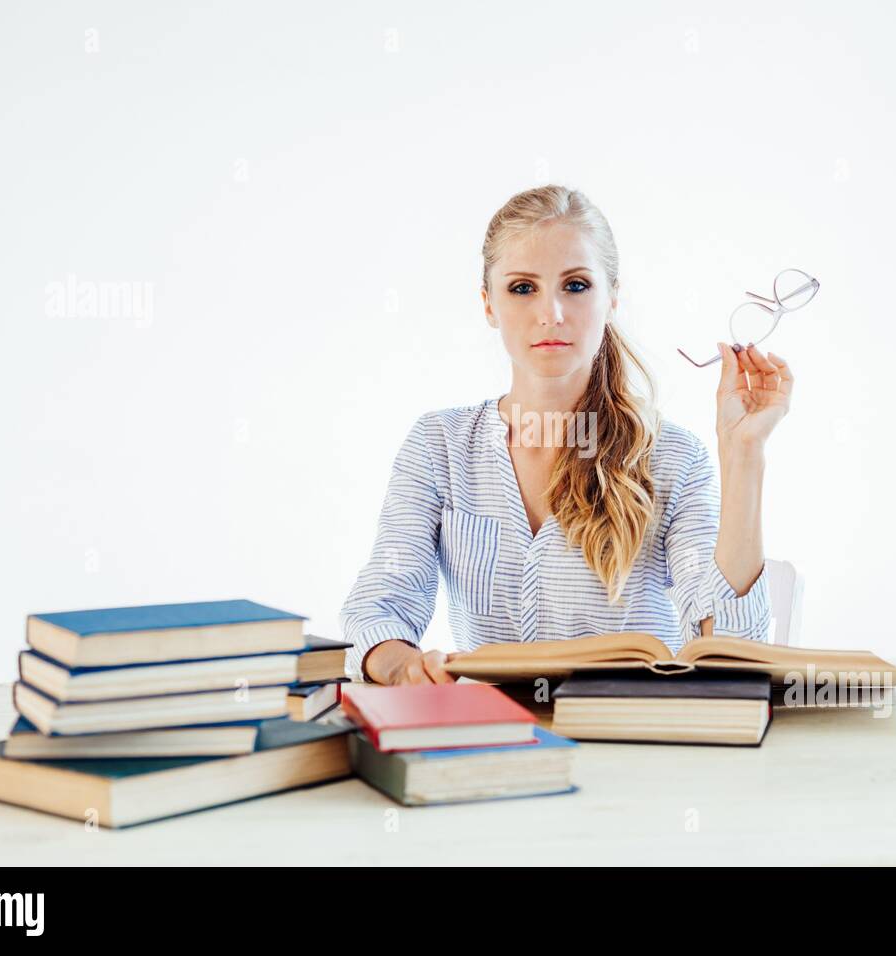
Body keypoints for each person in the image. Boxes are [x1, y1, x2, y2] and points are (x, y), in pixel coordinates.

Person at [339, 185, 793, 685]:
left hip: (630, 741)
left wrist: (743, 452)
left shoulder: (673, 458)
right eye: (522, 288)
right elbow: (379, 608)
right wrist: (404, 666)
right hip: (497, 742)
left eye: (575, 286)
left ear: (612, 297)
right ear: (488, 304)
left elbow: (734, 651)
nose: (551, 312)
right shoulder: (439, 446)